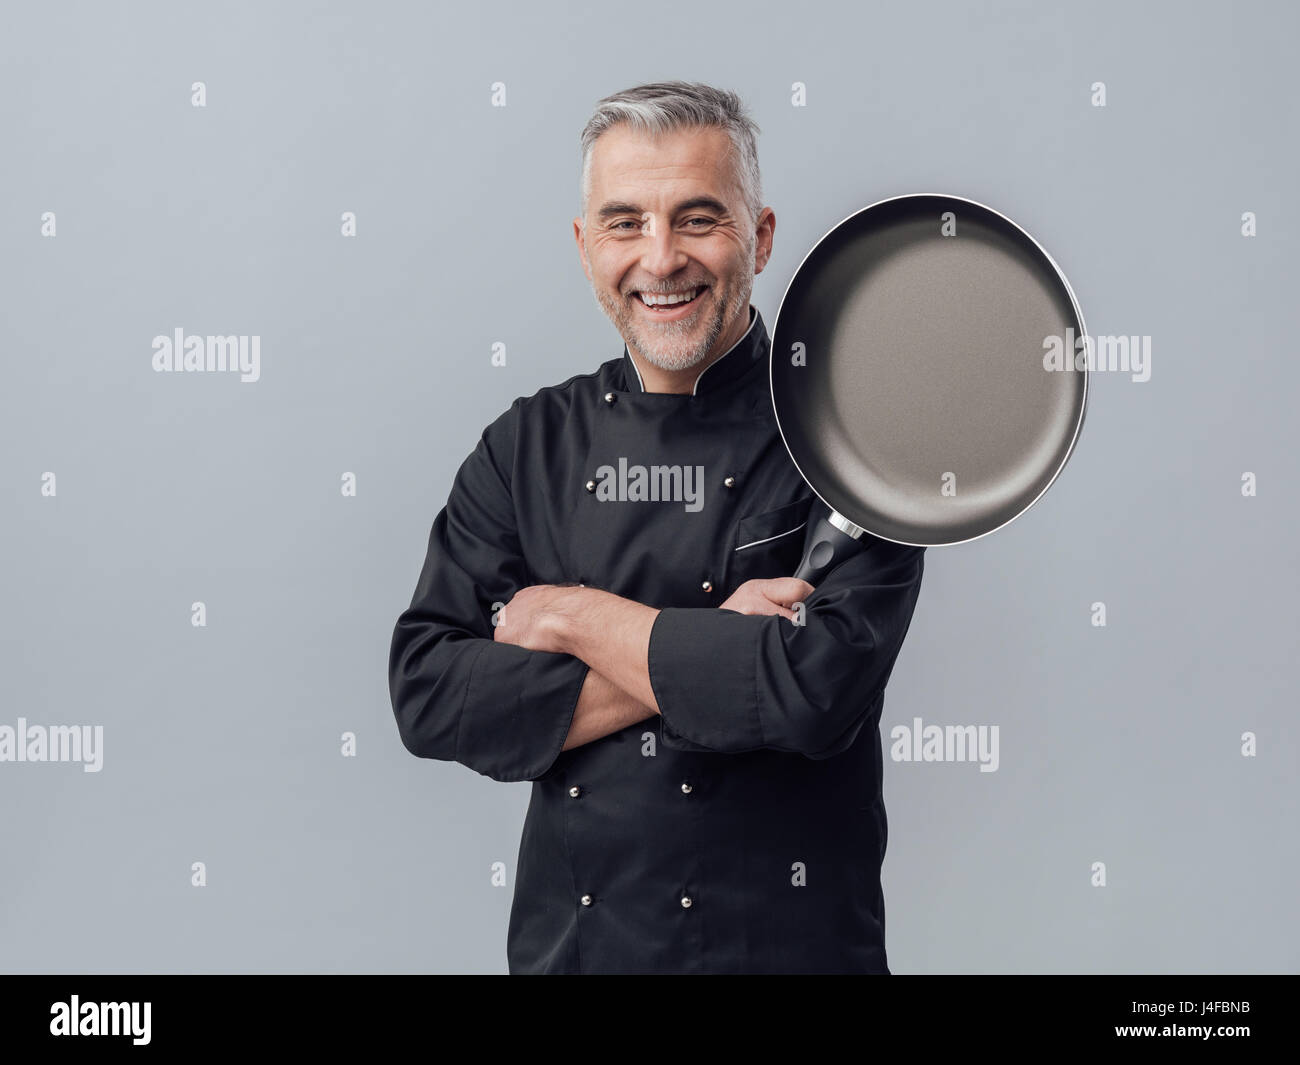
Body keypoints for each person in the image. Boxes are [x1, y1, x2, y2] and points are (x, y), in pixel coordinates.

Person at [388, 80, 926, 974]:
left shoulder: (855, 438)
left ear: (759, 235)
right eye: (625, 222)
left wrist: (563, 618)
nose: (661, 257)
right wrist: (721, 648)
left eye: (699, 218)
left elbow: (810, 694)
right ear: (584, 245)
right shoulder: (526, 447)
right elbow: (431, 692)